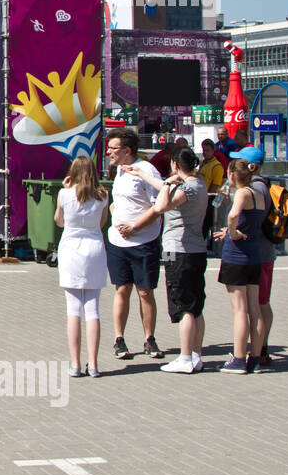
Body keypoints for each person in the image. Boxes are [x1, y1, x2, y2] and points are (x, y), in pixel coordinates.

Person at [105, 128, 164, 360]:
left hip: (143, 241)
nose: (108, 152)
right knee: (122, 289)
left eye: (113, 148)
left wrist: (135, 227)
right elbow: (118, 201)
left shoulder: (147, 171)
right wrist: (115, 214)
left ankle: (150, 338)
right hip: (118, 242)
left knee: (145, 292)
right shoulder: (118, 171)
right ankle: (119, 339)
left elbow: (158, 206)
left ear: (127, 151)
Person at [152, 149, 210, 374]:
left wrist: (167, 183)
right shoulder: (199, 184)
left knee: (182, 304)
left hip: (177, 250)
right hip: (196, 251)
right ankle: (196, 355)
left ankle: (185, 357)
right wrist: (141, 174)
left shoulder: (184, 189)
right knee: (196, 305)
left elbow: (161, 206)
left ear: (175, 164)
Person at [54, 155, 108, 378]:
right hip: (94, 248)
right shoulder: (103, 194)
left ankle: (75, 363)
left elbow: (59, 221)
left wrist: (65, 191)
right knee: (93, 308)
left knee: (73, 309)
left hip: (71, 249)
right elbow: (103, 223)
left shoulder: (65, 194)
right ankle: (93, 364)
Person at [218, 157, 265, 374]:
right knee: (254, 309)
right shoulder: (259, 194)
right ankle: (255, 357)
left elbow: (234, 215)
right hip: (254, 255)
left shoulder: (243, 193)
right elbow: (249, 219)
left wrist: (233, 231)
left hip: (236, 256)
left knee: (239, 310)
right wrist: (232, 229)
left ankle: (238, 358)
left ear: (232, 175)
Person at [235, 146, 279, 366]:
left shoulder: (255, 188)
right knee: (262, 302)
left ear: (251, 166)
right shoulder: (262, 185)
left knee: (259, 304)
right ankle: (261, 347)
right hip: (265, 251)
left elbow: (249, 221)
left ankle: (259, 350)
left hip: (258, 252)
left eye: (240, 163)